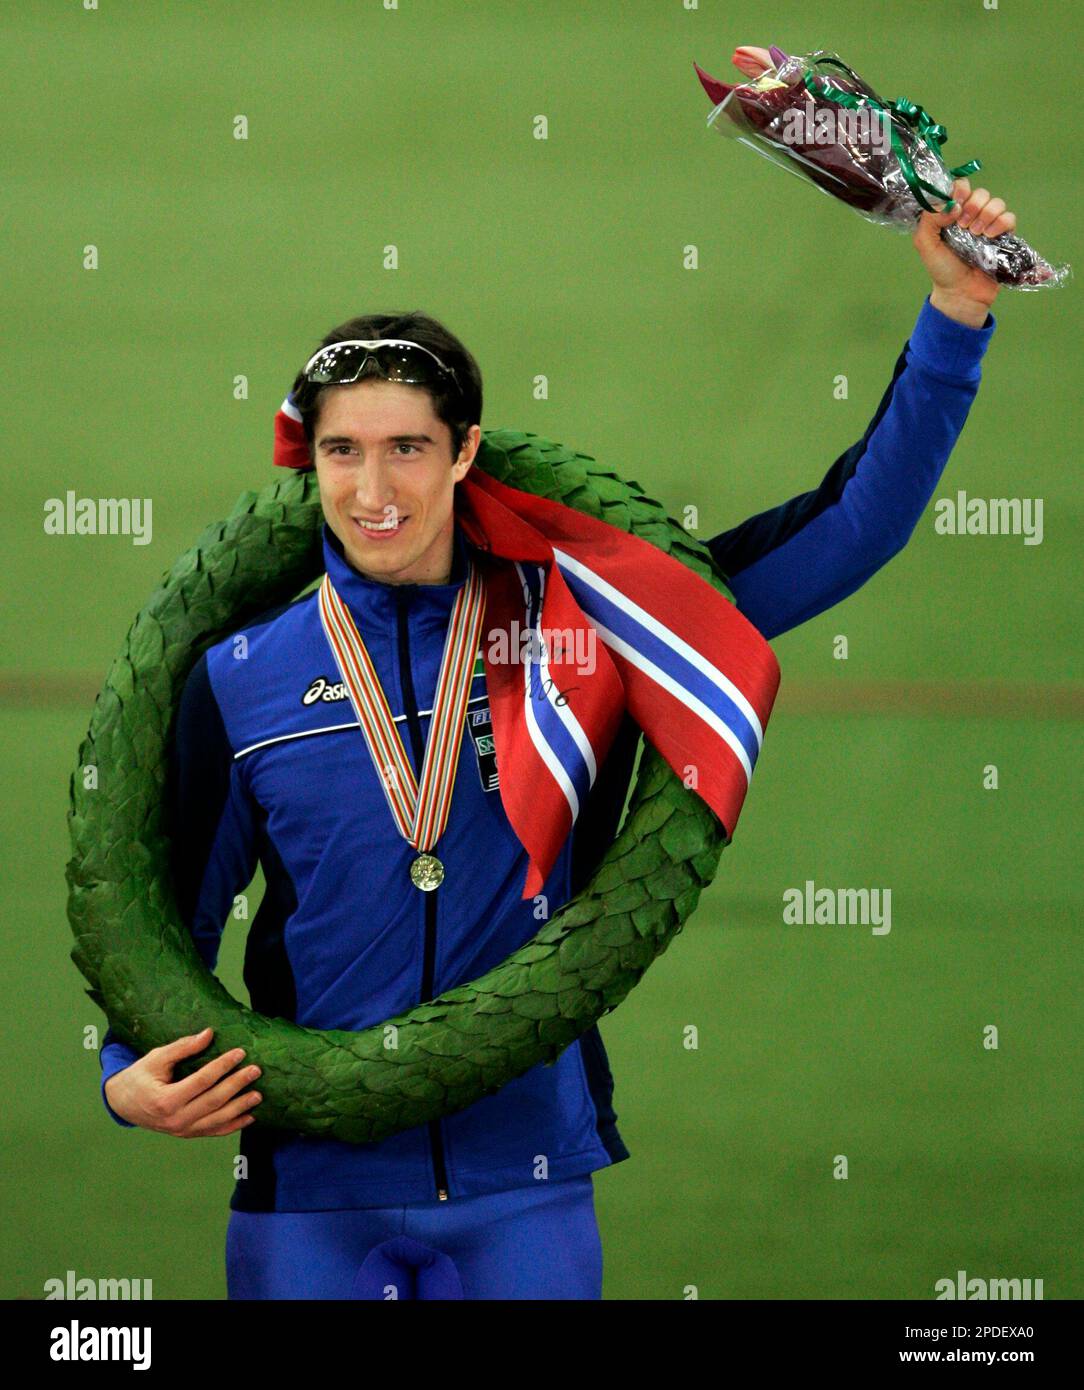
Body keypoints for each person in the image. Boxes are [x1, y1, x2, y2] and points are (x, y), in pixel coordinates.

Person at [98, 178, 1011, 1299]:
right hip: (306, 1197)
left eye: (406, 449)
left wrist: (954, 316)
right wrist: (117, 1076)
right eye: (342, 451)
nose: (373, 489)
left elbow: (848, 531)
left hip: (523, 1186)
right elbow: (165, 935)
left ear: (466, 450)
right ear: (308, 460)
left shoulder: (590, 623)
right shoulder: (237, 679)